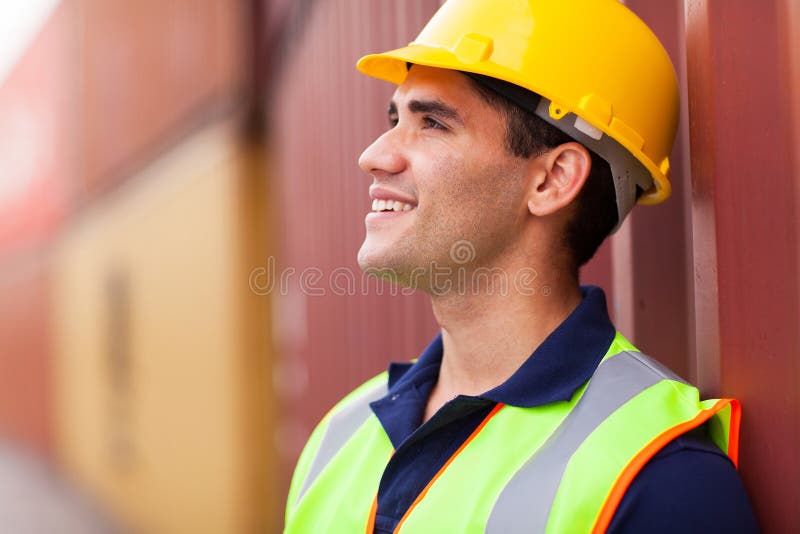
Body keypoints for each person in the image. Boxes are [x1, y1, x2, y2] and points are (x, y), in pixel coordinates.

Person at [284, 0, 758, 532]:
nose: (373, 155)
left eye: (433, 123)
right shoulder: (341, 434)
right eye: (395, 119)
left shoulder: (660, 477)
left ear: (552, 180)